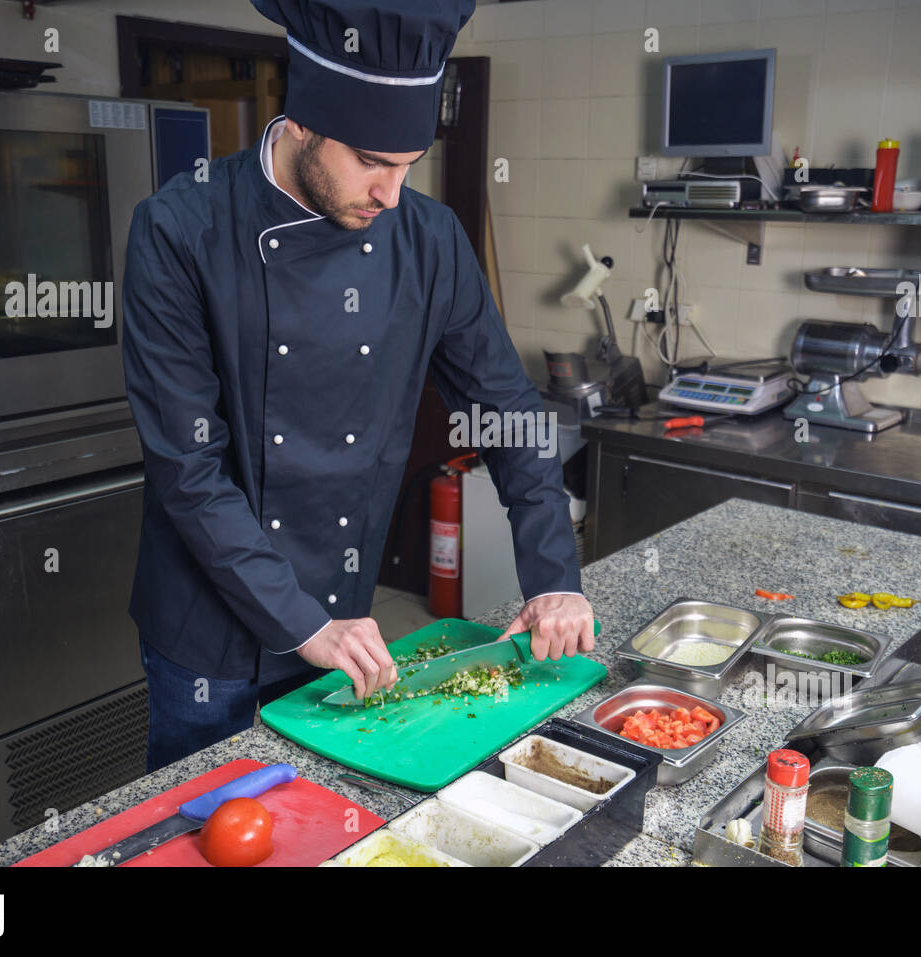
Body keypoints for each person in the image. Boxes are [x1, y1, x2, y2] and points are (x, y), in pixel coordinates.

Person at [122, 0, 594, 772]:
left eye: (409, 166)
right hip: (207, 634)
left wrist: (552, 579)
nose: (391, 194)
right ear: (303, 121)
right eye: (373, 163)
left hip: (344, 621)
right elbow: (190, 471)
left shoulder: (429, 241)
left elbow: (510, 413)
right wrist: (303, 622)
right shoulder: (180, 231)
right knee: (202, 832)